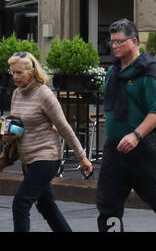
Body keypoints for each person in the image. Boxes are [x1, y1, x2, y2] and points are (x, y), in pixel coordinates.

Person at [96, 19, 156, 233]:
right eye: (112, 42)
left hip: (144, 150)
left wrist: (135, 135)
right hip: (115, 149)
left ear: (135, 41)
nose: (114, 46)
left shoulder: (148, 72)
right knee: (108, 206)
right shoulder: (113, 72)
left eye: (119, 41)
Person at [8, 51, 93, 233]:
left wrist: (82, 157)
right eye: (12, 72)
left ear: (31, 72)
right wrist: (6, 132)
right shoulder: (16, 93)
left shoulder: (44, 94)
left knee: (21, 203)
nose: (15, 76)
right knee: (46, 206)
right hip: (27, 158)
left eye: (19, 73)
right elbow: (16, 122)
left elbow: (64, 127)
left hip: (46, 157)